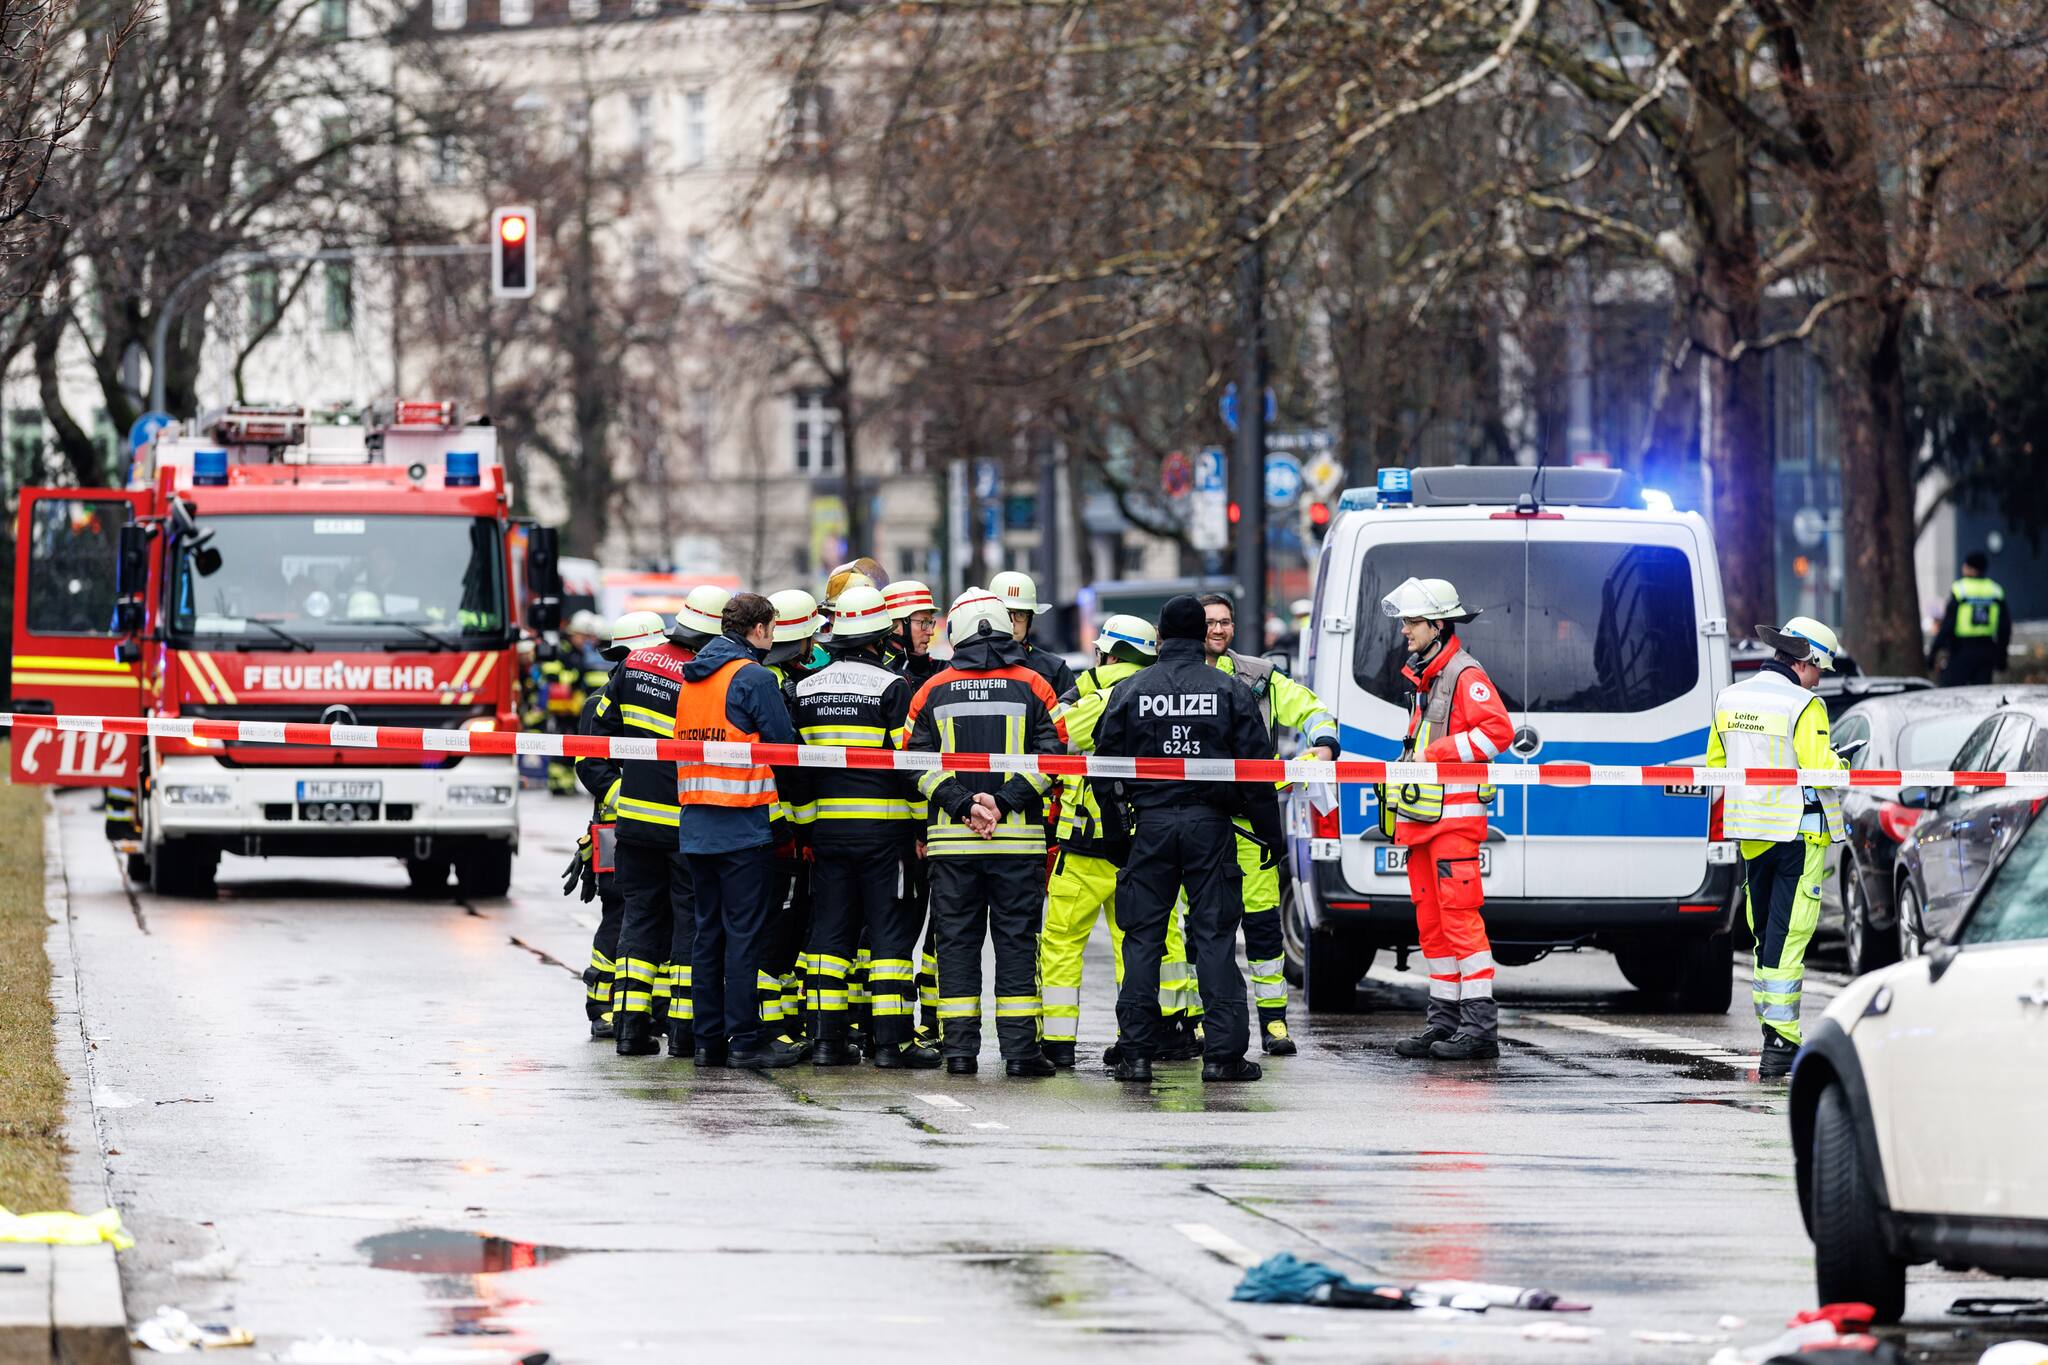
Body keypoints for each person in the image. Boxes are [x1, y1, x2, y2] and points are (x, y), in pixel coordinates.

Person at [1092, 594, 1279, 1085]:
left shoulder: (1130, 690)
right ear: (1201, 636)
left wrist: (1117, 835)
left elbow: (1103, 770)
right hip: (1209, 828)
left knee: (1142, 940)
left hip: (1150, 828)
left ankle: (1136, 1055)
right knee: (1214, 939)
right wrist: (1270, 835)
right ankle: (1223, 1057)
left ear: (1159, 637)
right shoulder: (1229, 690)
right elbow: (1257, 772)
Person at [901, 592, 1066, 1077]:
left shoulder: (932, 689)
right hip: (1018, 843)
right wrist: (1003, 802)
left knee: (955, 945)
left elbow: (913, 763)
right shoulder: (1035, 685)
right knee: (1017, 944)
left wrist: (962, 804)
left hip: (952, 845)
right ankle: (1020, 1053)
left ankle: (959, 1052)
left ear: (956, 633)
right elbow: (1054, 758)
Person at [790, 585, 937, 1069]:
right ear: (880, 635)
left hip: (829, 834)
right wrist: (920, 829)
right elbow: (909, 766)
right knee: (889, 936)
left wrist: (808, 831)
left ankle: (827, 1043)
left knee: (830, 936)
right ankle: (891, 1044)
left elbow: (797, 773)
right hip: (885, 835)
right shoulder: (893, 687)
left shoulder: (805, 689)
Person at [1189, 592, 1340, 1055]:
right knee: (1199, 930)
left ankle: (1274, 1023)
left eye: (1225, 622)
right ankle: (1200, 1022)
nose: (1218, 629)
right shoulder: (1173, 676)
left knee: (1263, 928)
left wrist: (1324, 744)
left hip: (1250, 823)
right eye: (1209, 622)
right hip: (1196, 824)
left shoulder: (1259, 676)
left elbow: (1313, 709)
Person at [1379, 577, 1514, 1062]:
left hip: (1453, 824)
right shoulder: (1430, 674)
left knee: (1460, 922)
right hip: (1423, 823)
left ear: (1438, 625)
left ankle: (1479, 1030)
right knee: (1432, 927)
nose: (1405, 630)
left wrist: (1436, 753)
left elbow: (1498, 732)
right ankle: (1443, 1023)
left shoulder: (1463, 672)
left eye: (1413, 622)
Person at [589, 587, 727, 1056]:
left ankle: (630, 1030)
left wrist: (625, 789)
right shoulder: (705, 677)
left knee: (639, 920)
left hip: (633, 825)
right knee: (689, 924)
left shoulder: (635, 664)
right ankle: (684, 1034)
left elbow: (597, 739)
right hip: (687, 825)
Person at [1709, 616, 1847, 1079]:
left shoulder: (1729, 699)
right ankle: (1781, 1041)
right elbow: (1820, 769)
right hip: (1796, 833)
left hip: (1751, 834)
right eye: (1819, 669)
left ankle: (1772, 1033)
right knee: (1789, 936)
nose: (1819, 680)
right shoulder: (1804, 705)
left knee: (1767, 934)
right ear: (1805, 661)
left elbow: (1716, 765)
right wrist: (1843, 764)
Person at [680, 592, 802, 1070]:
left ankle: (708, 1042)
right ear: (760, 630)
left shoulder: (694, 677)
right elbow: (784, 748)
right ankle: (746, 1041)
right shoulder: (753, 677)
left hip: (697, 826)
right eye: (772, 629)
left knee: (707, 935)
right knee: (743, 937)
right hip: (742, 826)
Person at [1038, 614, 1158, 1067]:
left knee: (1063, 944)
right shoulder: (1160, 699)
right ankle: (1138, 1042)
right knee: (1138, 947)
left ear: (1107, 654)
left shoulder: (1093, 700)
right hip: (1143, 849)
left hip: (1084, 848)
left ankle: (1058, 1044)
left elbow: (1053, 742)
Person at [566, 610, 667, 1038]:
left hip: (651, 827)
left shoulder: (656, 696)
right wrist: (629, 799)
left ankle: (652, 1006)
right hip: (613, 830)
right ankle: (602, 1003)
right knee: (620, 914)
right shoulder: (600, 703)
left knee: (657, 915)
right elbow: (589, 765)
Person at [761, 589, 826, 1044]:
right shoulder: (779, 688)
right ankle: (772, 1026)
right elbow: (791, 767)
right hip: (780, 831)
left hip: (761, 825)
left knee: (783, 925)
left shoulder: (767, 677)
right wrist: (804, 830)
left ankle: (782, 1019)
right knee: (778, 928)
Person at [1927, 550, 2009, 687]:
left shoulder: (1960, 589)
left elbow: (1947, 625)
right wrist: (2002, 657)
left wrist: (1933, 652)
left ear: (1971, 569)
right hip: (1987, 649)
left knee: (1949, 692)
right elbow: (2005, 628)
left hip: (1962, 649)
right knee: (1982, 693)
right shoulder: (1996, 591)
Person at [989, 570, 1076, 698]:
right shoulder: (971, 667)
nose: (1012, 623)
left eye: (1020, 614)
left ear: (1030, 619)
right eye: (1004, 613)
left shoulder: (1056, 672)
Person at [881, 580, 941, 686]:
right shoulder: (882, 671)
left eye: (930, 623)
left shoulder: (930, 667)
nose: (931, 632)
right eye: (923, 622)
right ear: (895, 626)